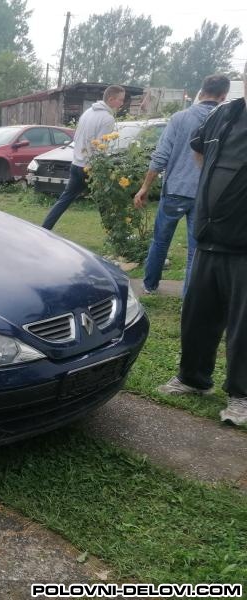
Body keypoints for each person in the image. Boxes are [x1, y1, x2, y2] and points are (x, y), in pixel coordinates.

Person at [158, 62, 247, 426]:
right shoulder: (224, 115)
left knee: (243, 326)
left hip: (244, 246)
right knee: (198, 315)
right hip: (209, 237)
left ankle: (242, 396)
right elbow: (199, 153)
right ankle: (193, 379)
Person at [133, 75, 230, 295]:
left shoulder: (180, 118)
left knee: (160, 241)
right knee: (195, 250)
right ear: (223, 97)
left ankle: (149, 285)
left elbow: (161, 156)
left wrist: (145, 187)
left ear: (201, 91)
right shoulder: (225, 122)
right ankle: (189, 296)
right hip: (206, 195)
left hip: (175, 190)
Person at [42, 85, 126, 230]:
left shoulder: (88, 112)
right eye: (120, 100)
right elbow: (100, 147)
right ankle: (116, 236)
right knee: (104, 201)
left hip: (76, 164)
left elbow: (76, 137)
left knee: (65, 199)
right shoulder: (107, 118)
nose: (122, 103)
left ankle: (44, 228)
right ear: (111, 99)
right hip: (91, 167)